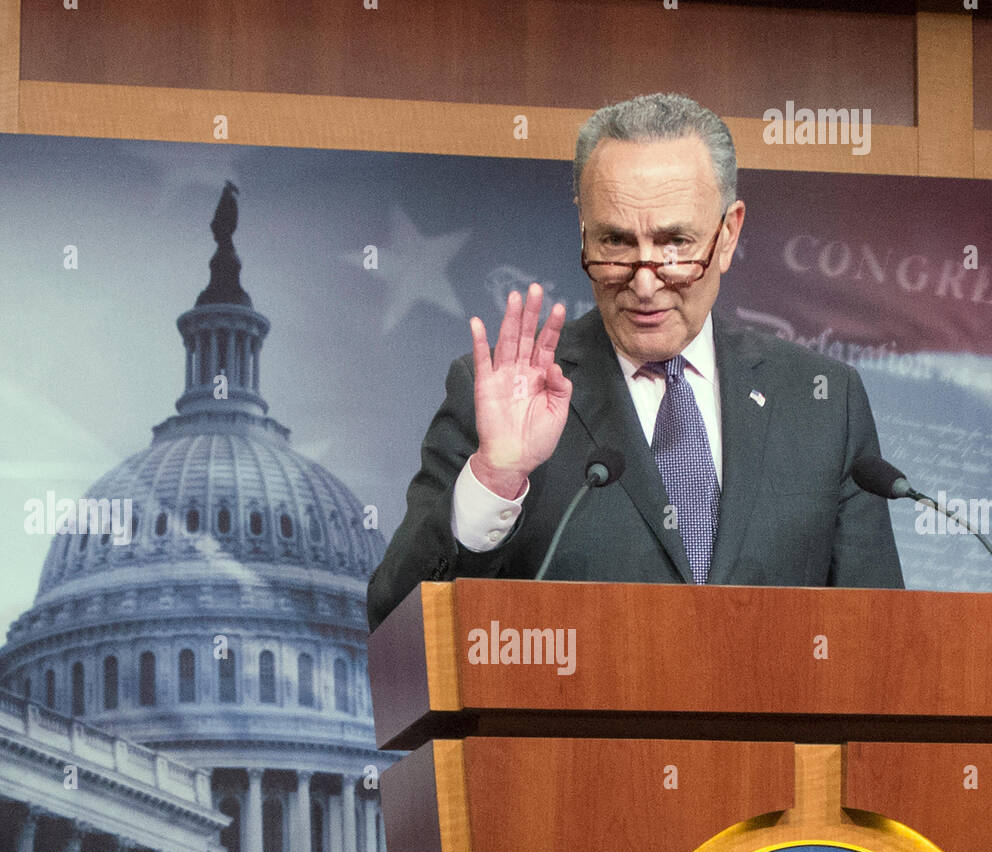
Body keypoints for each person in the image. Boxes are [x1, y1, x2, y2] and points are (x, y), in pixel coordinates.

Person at [367, 92, 902, 631]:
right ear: (583, 234)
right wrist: (495, 480)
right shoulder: (508, 396)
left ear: (729, 233)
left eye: (675, 244)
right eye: (616, 243)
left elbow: (881, 639)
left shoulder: (824, 401)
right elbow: (397, 626)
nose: (645, 283)